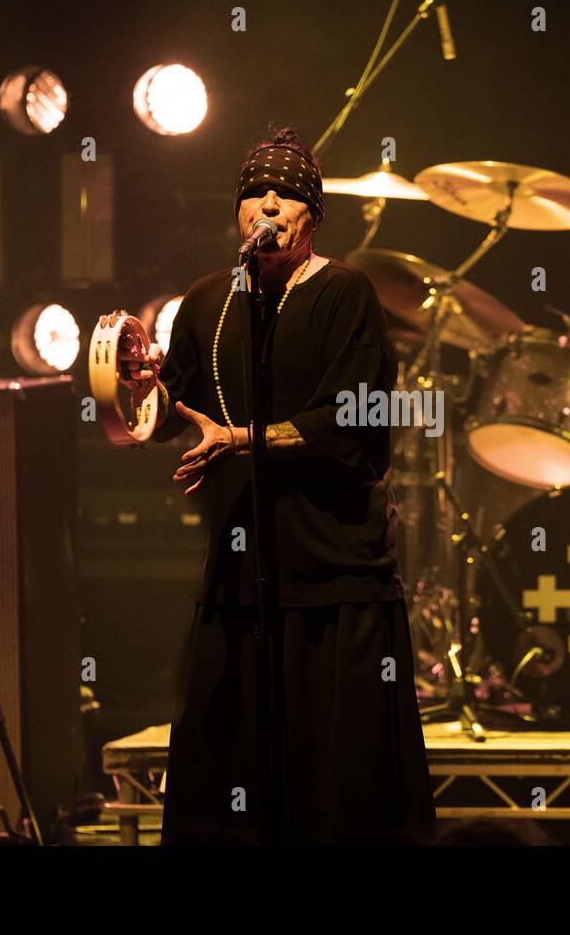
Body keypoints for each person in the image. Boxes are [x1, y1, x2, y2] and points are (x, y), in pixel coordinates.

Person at [117, 126, 436, 844]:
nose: (268, 205)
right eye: (255, 194)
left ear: (312, 217)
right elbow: (178, 413)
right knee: (225, 795)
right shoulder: (207, 301)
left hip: (335, 579)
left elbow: (350, 423)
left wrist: (242, 440)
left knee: (338, 797)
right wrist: (134, 384)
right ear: (236, 213)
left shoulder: (345, 292)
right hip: (238, 580)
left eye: (285, 195)